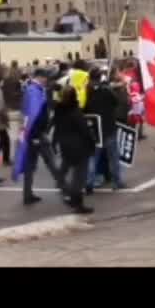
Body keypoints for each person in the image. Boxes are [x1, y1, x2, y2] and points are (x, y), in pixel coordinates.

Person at [14, 68, 65, 205]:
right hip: (36, 133)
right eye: (46, 78)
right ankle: (63, 186)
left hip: (32, 134)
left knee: (31, 165)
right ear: (40, 77)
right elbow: (33, 115)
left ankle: (28, 194)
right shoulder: (34, 92)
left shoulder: (34, 90)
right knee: (50, 161)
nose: (47, 80)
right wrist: (36, 135)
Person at [52, 85, 96, 214]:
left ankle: (67, 192)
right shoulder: (75, 111)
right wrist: (92, 144)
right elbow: (85, 131)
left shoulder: (58, 110)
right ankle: (77, 203)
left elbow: (57, 128)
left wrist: (56, 142)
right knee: (79, 177)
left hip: (65, 146)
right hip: (79, 147)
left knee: (67, 170)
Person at [85, 70, 127, 191]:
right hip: (108, 127)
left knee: (93, 157)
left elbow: (84, 108)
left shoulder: (86, 91)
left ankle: (89, 182)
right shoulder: (106, 90)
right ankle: (117, 182)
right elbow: (115, 102)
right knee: (113, 156)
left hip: (94, 129)